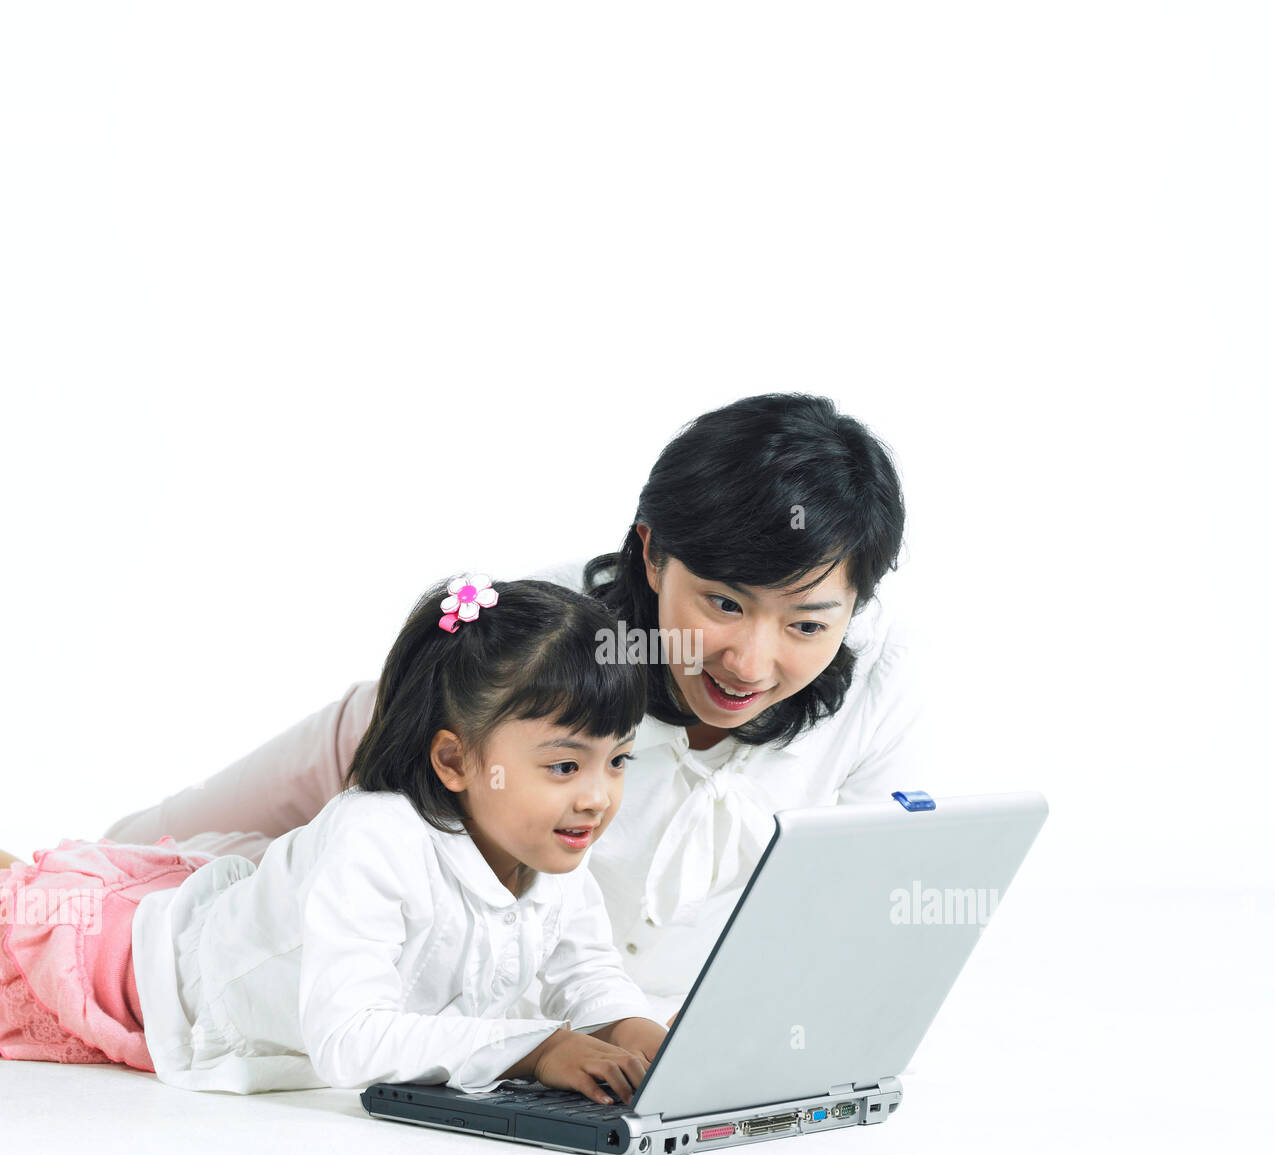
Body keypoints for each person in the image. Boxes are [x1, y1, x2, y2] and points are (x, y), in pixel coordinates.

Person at [97, 392, 925, 1014]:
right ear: (651, 551)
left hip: (619, 1023)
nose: (751, 661)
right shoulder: (553, 639)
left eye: (808, 623)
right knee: (131, 870)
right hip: (378, 812)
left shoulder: (880, 679)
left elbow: (857, 907)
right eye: (723, 604)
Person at [0, 575, 666, 1104]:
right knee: (22, 906)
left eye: (619, 761)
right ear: (456, 761)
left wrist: (646, 1039)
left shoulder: (553, 847)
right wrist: (541, 1049)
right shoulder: (375, 836)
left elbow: (588, 975)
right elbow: (348, 1038)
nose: (598, 796)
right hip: (127, 967)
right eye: (564, 766)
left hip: (224, 916)